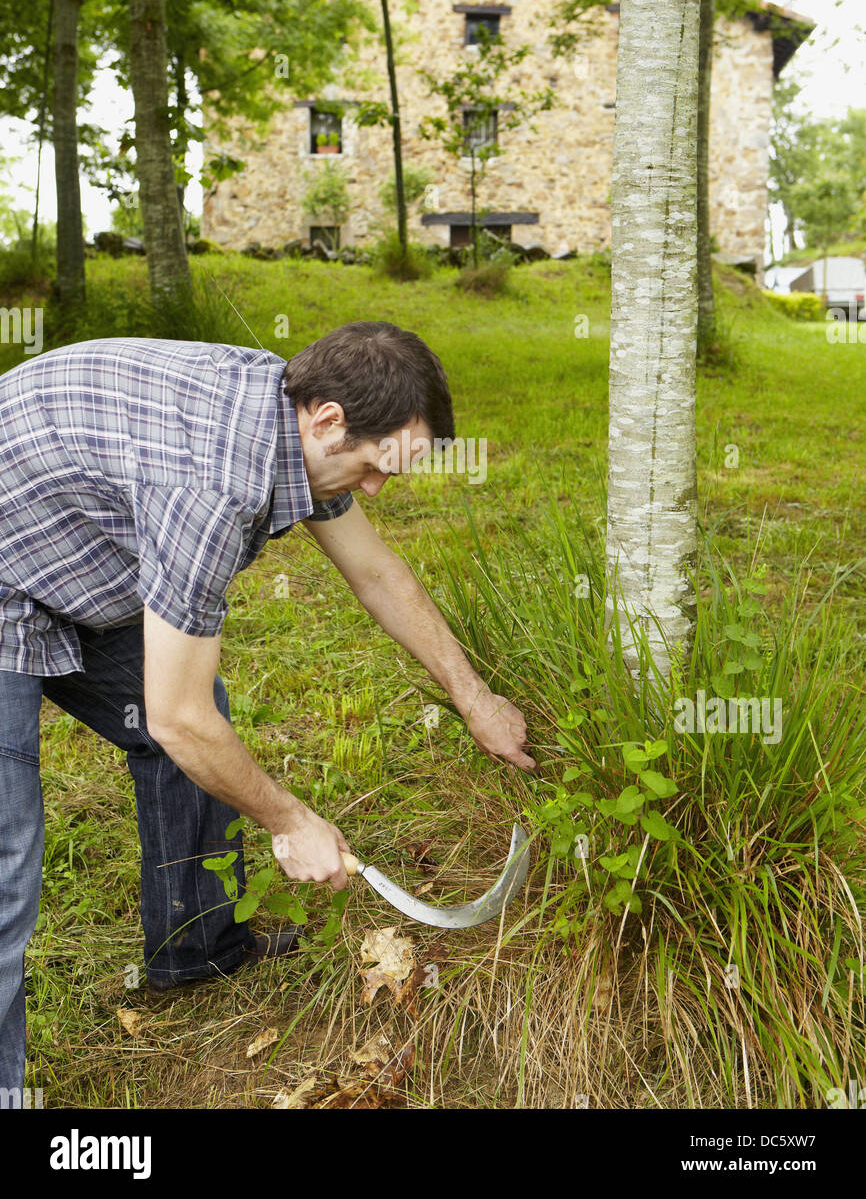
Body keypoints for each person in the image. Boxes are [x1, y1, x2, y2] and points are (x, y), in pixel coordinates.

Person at [0, 319, 534, 1104]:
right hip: (10, 570)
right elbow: (177, 720)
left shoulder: (286, 411)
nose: (378, 490)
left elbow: (378, 574)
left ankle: (195, 946)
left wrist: (474, 695)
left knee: (195, 721)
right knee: (9, 868)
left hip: (71, 549)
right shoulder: (214, 485)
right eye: (374, 467)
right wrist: (290, 820)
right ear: (326, 420)